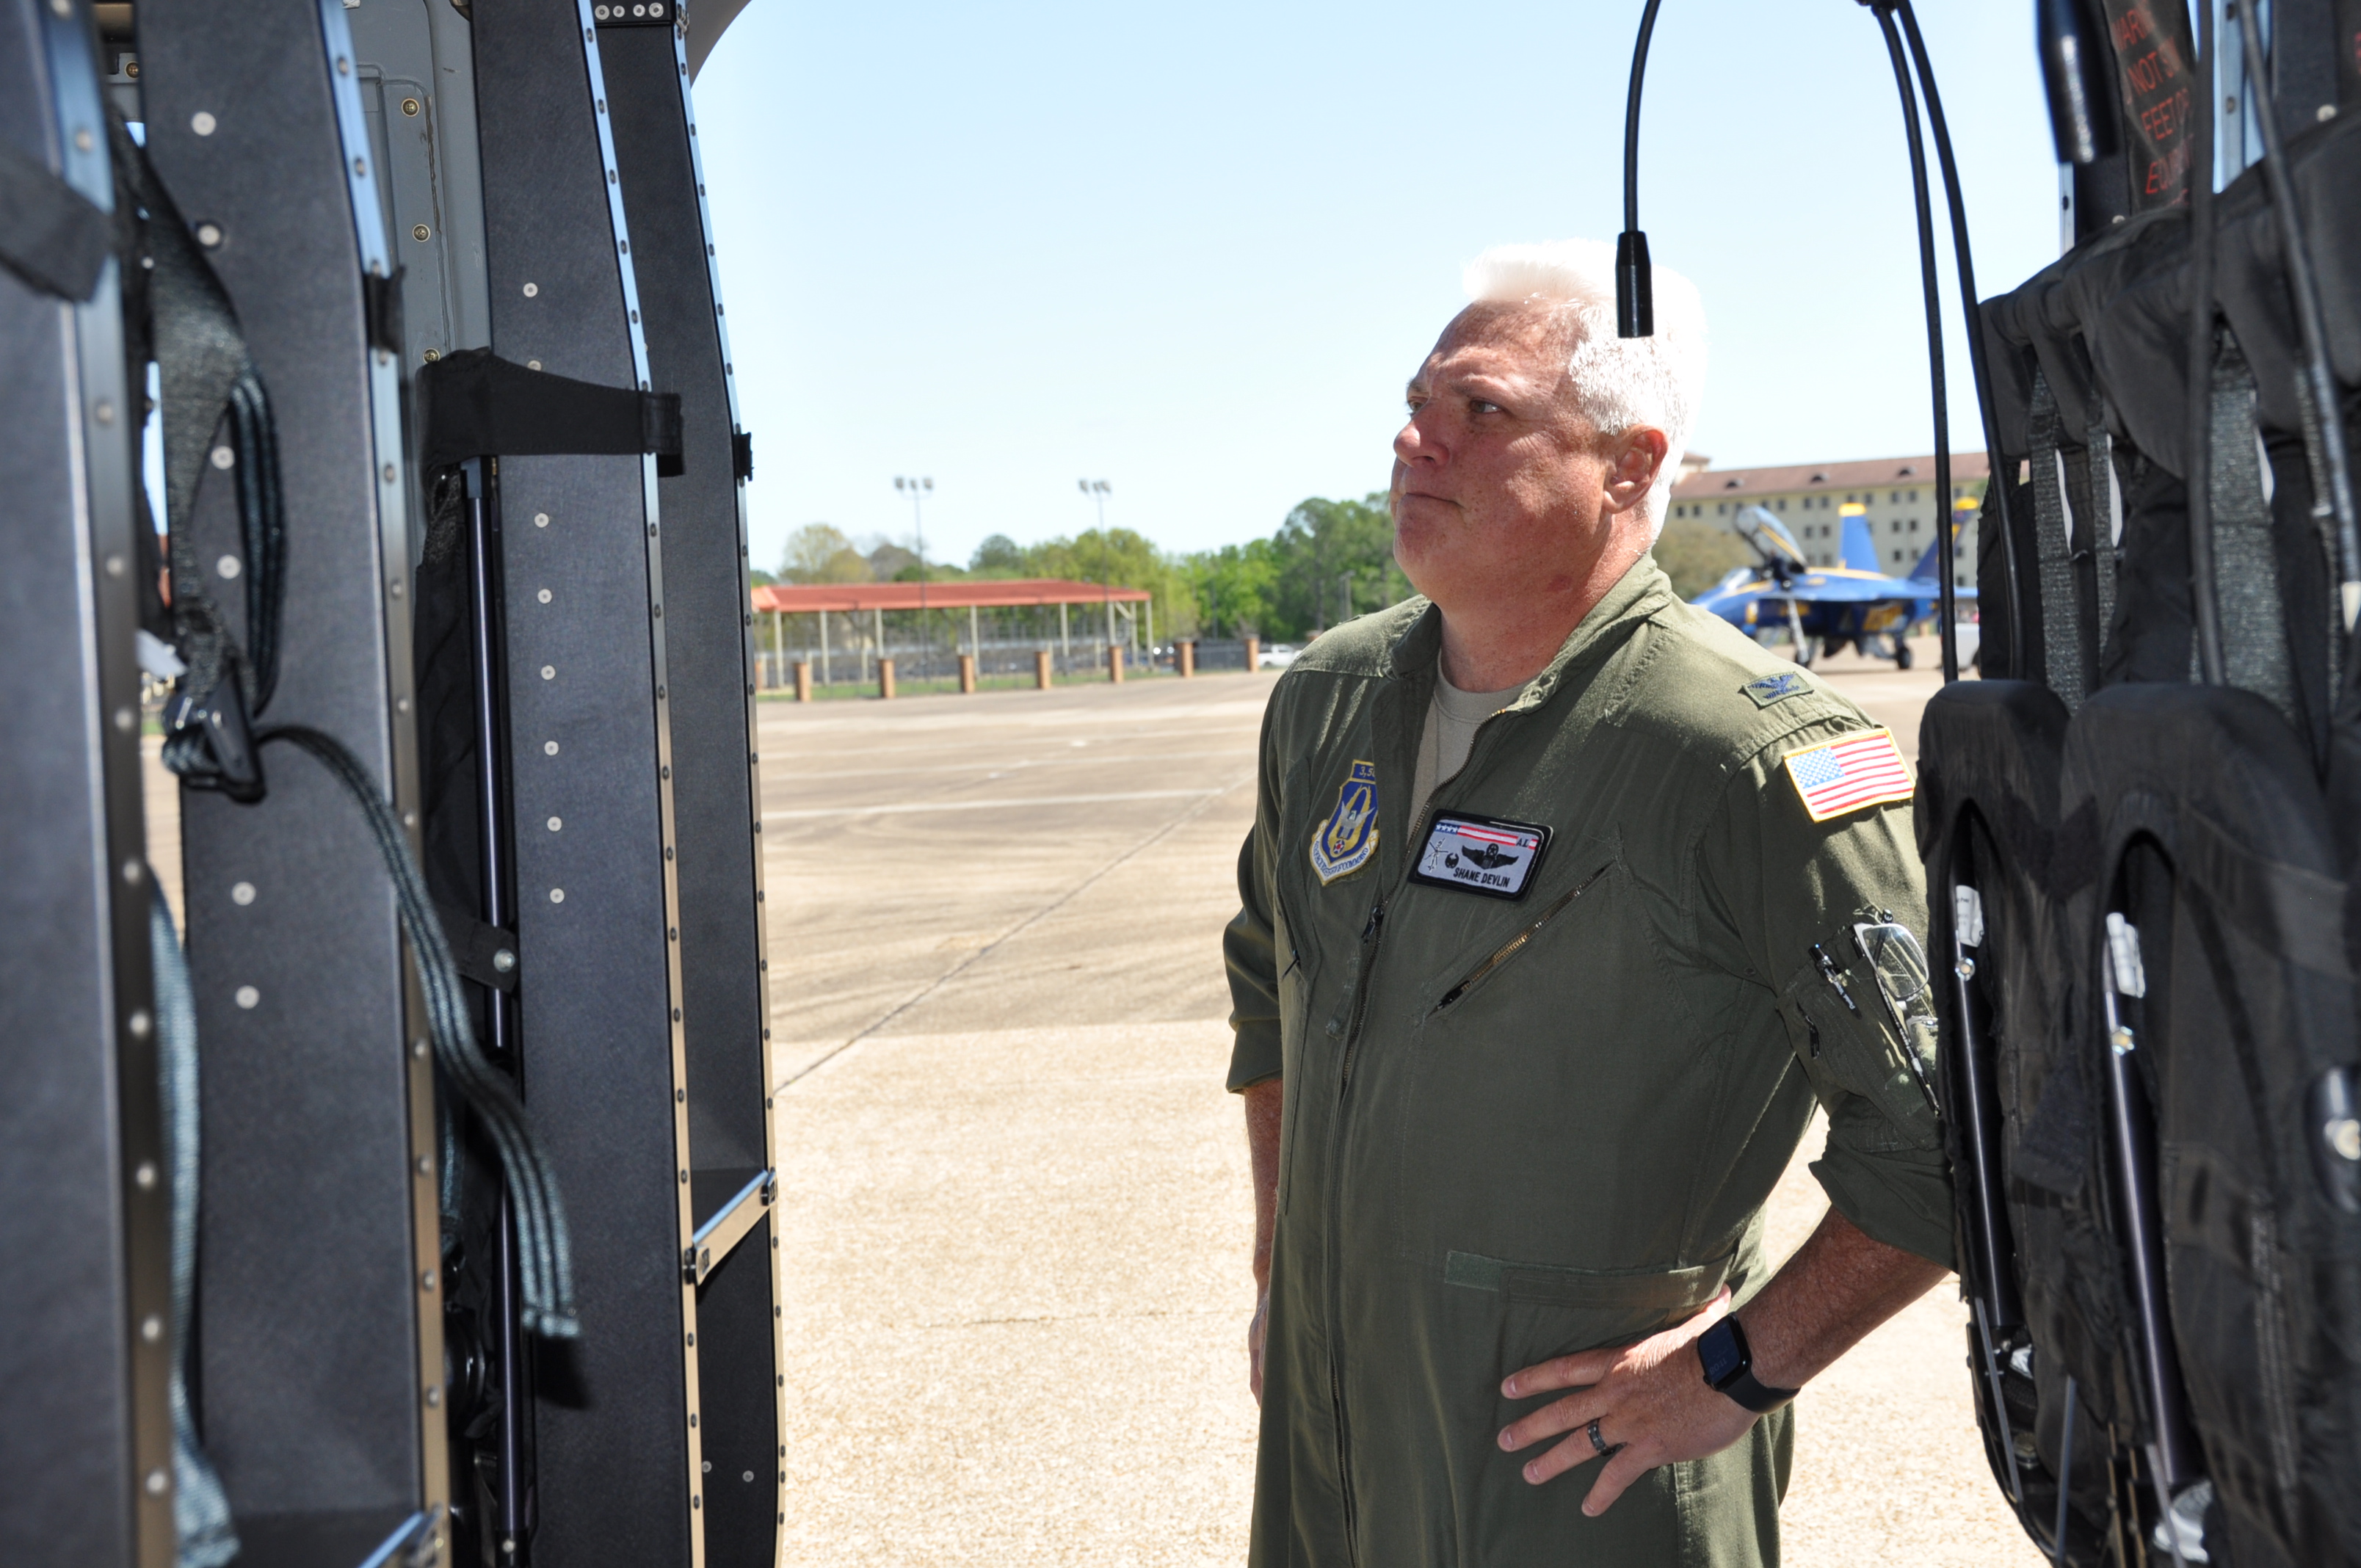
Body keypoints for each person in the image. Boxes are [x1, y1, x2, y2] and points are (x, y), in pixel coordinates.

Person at [1224, 239, 1954, 1566]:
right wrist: (1285, 1267)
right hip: (1332, 1460)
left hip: (1577, 1493)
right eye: (1414, 403)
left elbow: (1944, 1133)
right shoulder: (1326, 704)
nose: (1413, 441)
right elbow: (1267, 989)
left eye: (1480, 412)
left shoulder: (1740, 755)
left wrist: (1736, 1369)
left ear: (1626, 465)